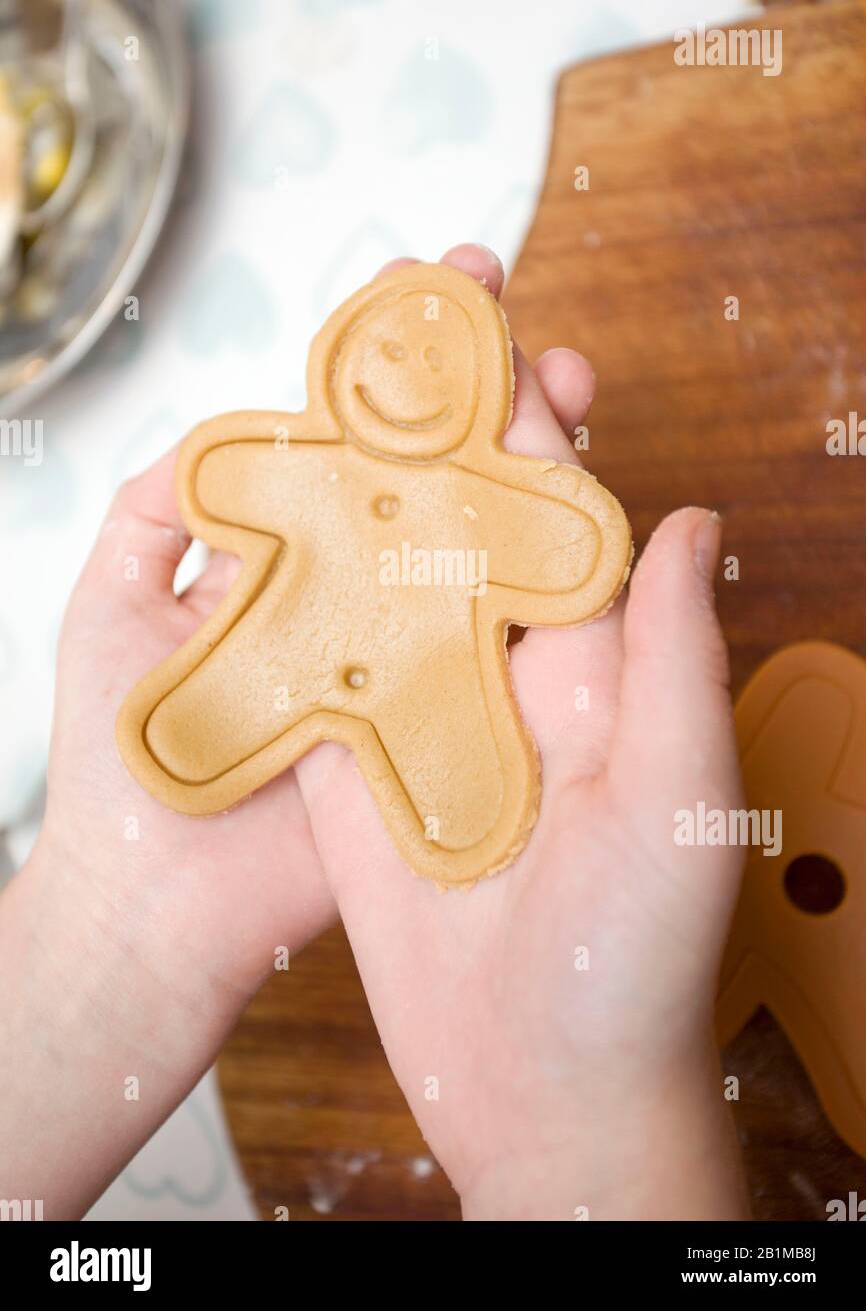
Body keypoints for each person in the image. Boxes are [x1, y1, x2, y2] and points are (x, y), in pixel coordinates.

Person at [0, 243, 749, 1221]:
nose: (411, 371)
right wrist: (110, 912)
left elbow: (564, 543)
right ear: (343, 369)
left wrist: (587, 1132)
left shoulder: (479, 498)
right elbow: (226, 471)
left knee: (458, 775)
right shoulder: (303, 467)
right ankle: (204, 738)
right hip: (281, 649)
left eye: (441, 363)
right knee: (215, 708)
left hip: (424, 681)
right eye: (392, 355)